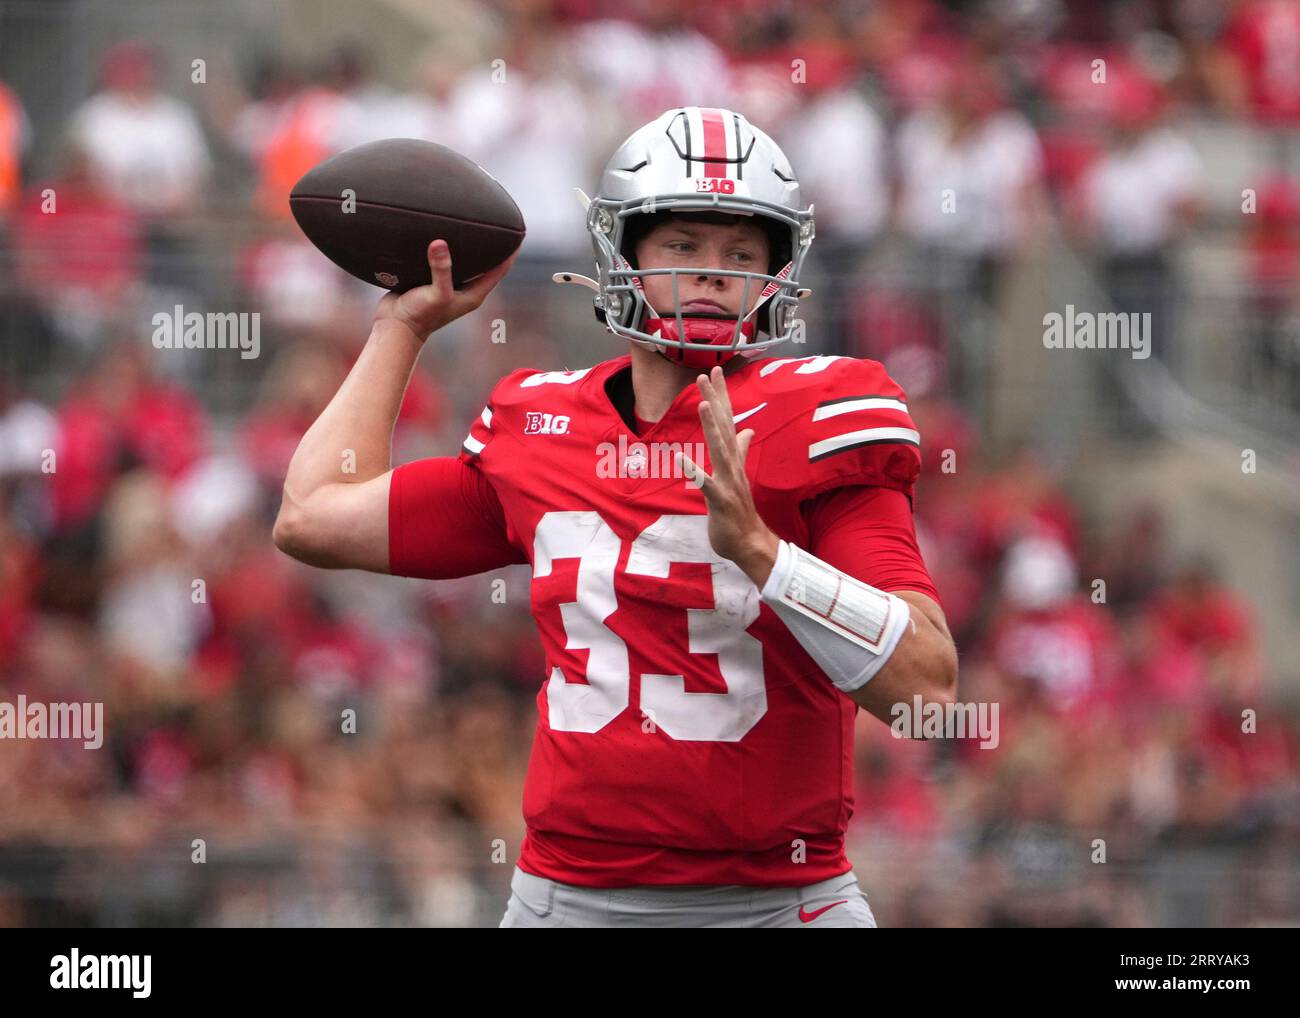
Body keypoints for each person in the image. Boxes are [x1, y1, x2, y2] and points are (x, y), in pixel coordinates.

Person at [273, 107, 958, 928]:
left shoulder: (822, 412)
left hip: (782, 904)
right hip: (569, 901)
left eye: (742, 253)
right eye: (682, 246)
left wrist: (766, 556)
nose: (713, 274)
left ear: (778, 273)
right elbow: (311, 516)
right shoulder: (540, 425)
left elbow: (928, 689)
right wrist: (401, 328)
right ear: (620, 253)